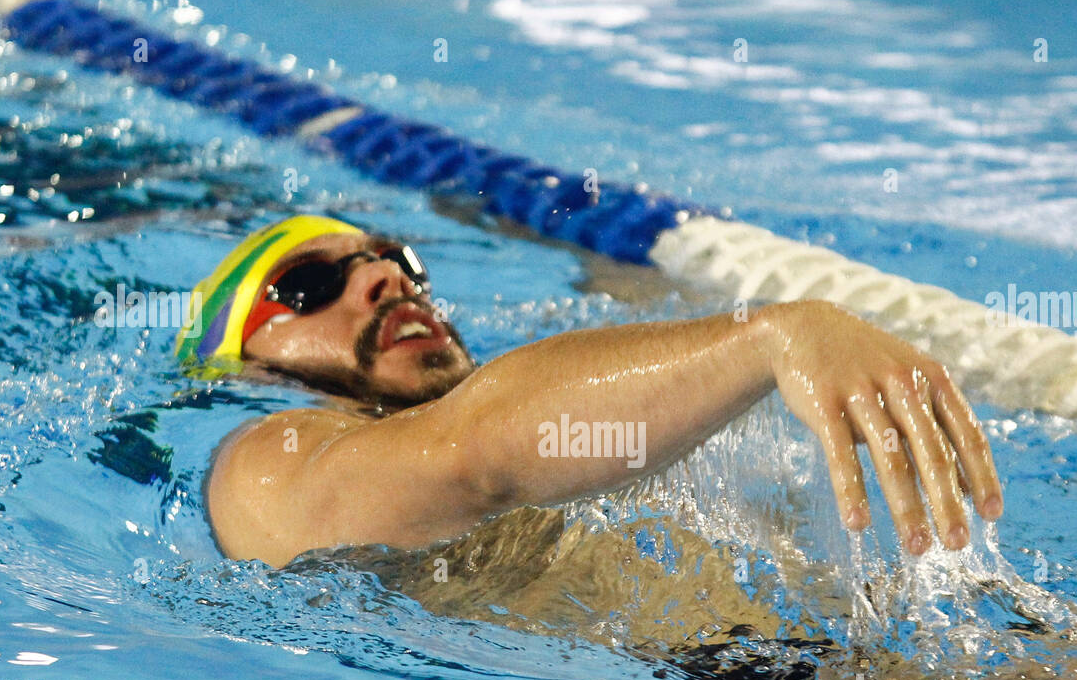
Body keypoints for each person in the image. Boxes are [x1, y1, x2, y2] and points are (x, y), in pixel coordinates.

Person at [179, 215, 1003, 570]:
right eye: (309, 283)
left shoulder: (529, 400)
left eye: (400, 262)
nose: (386, 279)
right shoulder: (261, 459)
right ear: (237, 358)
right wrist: (771, 336)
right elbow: (472, 454)